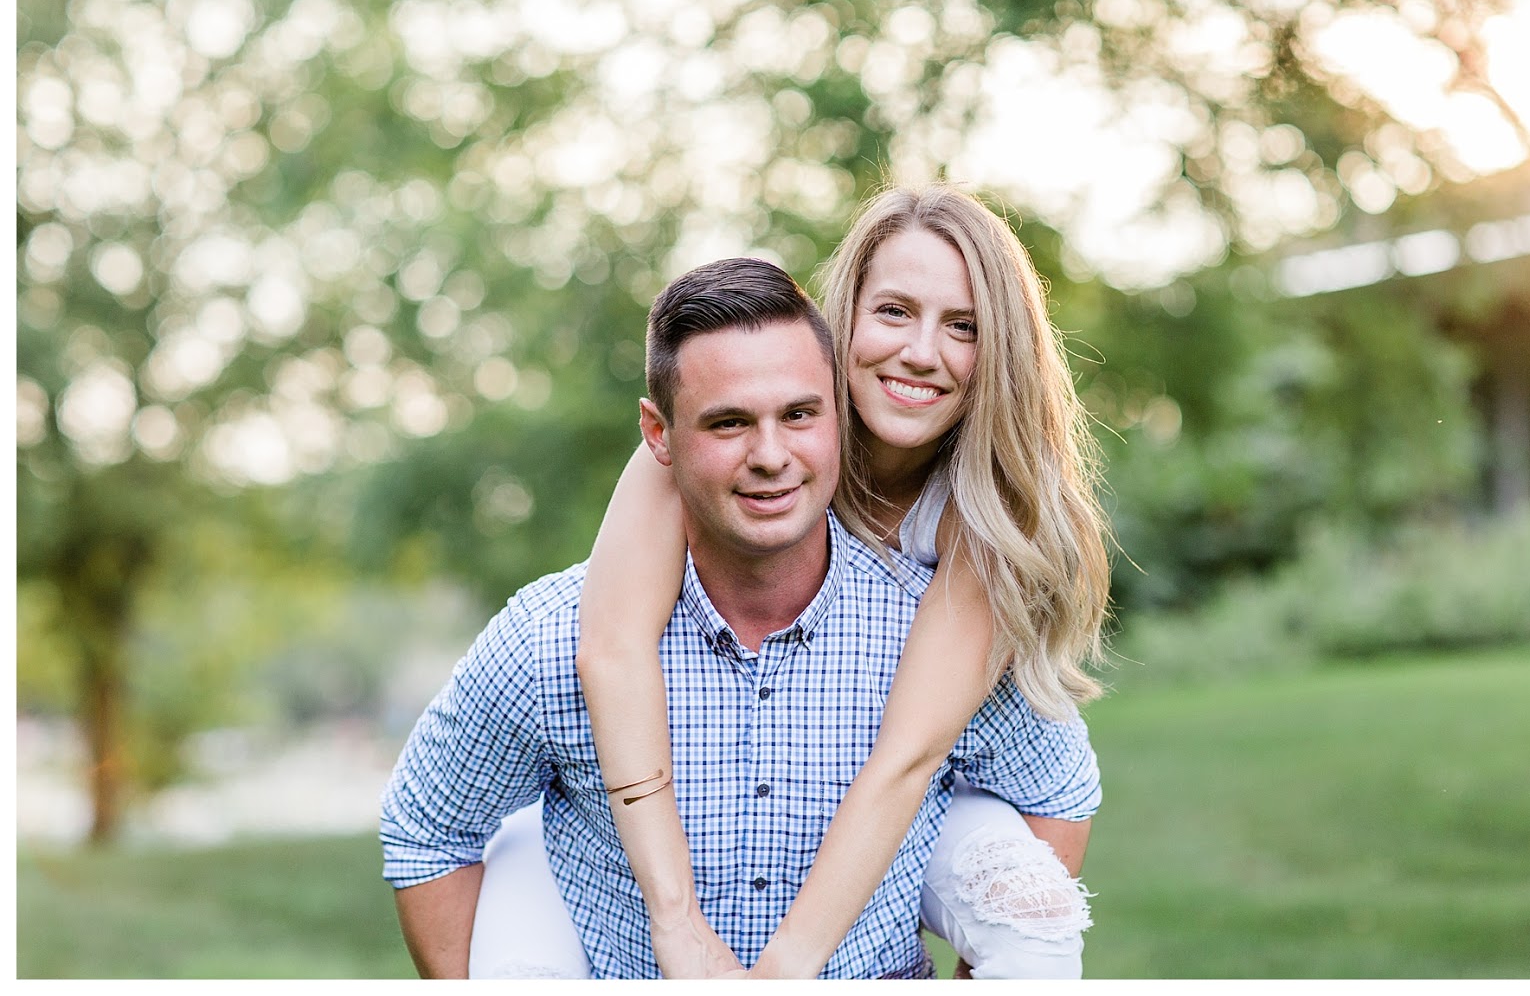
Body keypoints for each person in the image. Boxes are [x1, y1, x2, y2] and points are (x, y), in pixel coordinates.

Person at [381, 256, 1101, 980]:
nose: (769, 455)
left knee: (1022, 888)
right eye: (729, 422)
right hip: (619, 934)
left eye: (797, 414)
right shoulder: (558, 623)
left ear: (831, 411)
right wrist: (677, 922)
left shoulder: (974, 547)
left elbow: (1031, 785)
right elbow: (433, 820)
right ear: (660, 435)